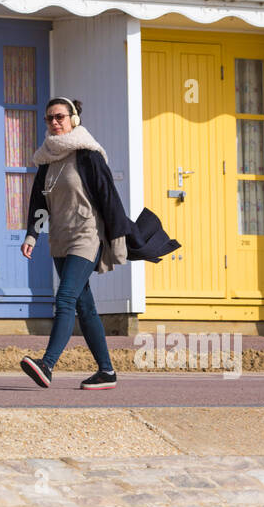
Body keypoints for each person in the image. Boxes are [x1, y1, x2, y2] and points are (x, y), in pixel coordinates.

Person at [19, 96, 180, 389]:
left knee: (66, 297)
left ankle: (47, 364)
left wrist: (120, 234)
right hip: (60, 239)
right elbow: (39, 202)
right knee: (85, 307)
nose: (54, 123)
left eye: (60, 117)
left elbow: (108, 197)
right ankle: (106, 372)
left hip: (86, 236)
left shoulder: (87, 154)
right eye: (49, 118)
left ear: (73, 120)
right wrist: (33, 233)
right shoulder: (46, 159)